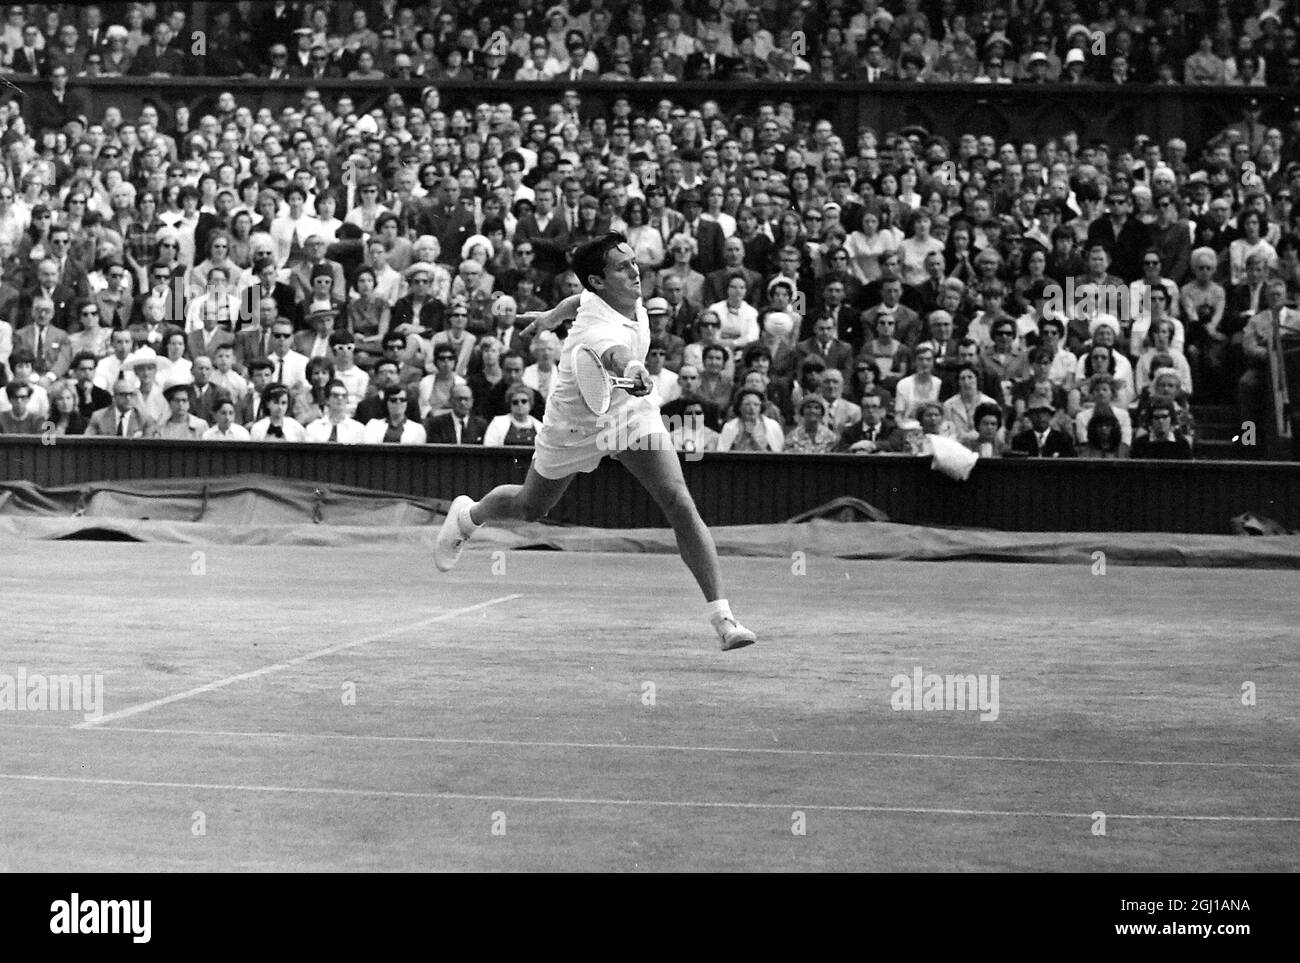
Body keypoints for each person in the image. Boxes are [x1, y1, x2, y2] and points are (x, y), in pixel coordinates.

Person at [434, 233, 758, 651]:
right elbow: (614, 354)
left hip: (629, 415)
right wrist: (633, 367)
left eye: (632, 261)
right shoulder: (597, 331)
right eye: (622, 267)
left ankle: (723, 618)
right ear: (598, 280)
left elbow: (579, 301)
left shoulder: (608, 295)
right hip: (574, 427)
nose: (635, 270)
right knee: (531, 507)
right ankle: (468, 516)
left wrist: (553, 314)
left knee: (678, 500)